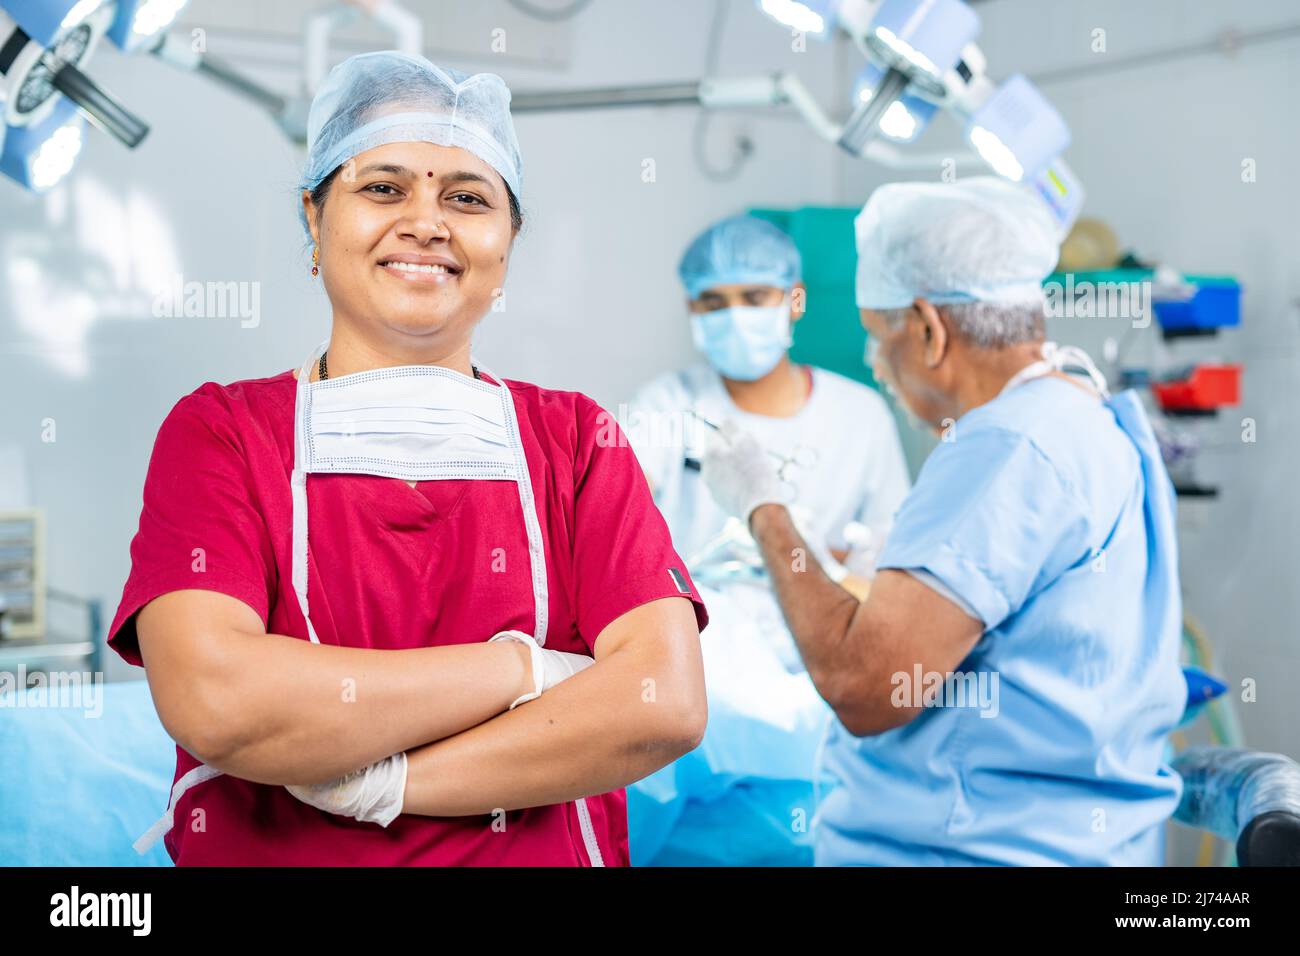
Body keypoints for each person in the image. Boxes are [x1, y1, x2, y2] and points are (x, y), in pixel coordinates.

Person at [107, 50, 708, 866]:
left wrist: (384, 785)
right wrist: (528, 672)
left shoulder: (574, 441)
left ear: (509, 240)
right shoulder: (223, 432)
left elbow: (660, 701)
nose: (427, 222)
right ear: (314, 220)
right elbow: (220, 702)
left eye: (467, 197)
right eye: (383, 187)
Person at [699, 176, 1186, 866]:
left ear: (928, 329)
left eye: (877, 337)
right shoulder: (1089, 417)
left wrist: (763, 509)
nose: (874, 364)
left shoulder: (1004, 446)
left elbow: (865, 688)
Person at [622, 214, 909, 865]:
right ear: (691, 309)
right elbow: (614, 543)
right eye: (713, 302)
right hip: (704, 651)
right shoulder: (663, 408)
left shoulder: (858, 414)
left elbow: (886, 562)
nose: (736, 317)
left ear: (794, 299)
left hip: (822, 649)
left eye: (755, 298)